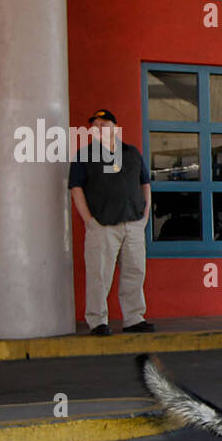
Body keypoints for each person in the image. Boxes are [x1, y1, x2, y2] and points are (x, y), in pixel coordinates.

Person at [68, 109, 155, 335]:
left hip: (133, 223)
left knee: (135, 271)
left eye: (103, 124)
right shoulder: (84, 155)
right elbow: (75, 188)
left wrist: (145, 213)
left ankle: (134, 318)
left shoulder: (132, 153)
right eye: (95, 125)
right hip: (103, 225)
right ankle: (98, 321)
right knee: (99, 275)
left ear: (115, 128)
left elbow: (145, 182)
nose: (98, 128)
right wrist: (89, 220)